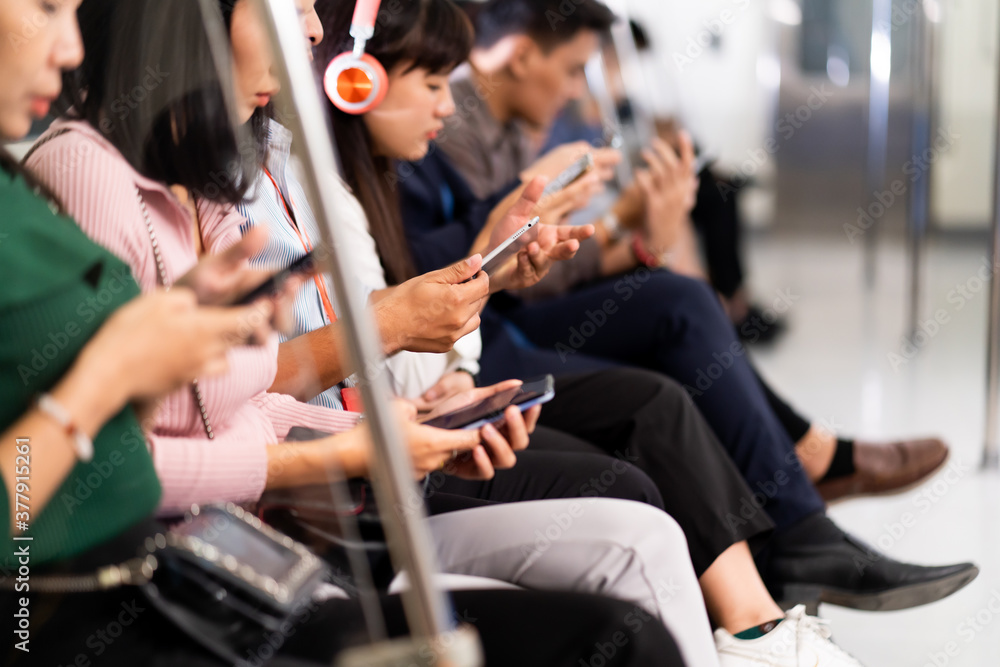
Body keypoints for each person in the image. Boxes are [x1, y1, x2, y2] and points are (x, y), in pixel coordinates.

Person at [24, 1, 719, 664]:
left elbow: (239, 399)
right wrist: (361, 444)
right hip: (220, 554)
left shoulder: (208, 181)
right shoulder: (90, 172)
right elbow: (108, 458)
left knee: (640, 500)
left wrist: (392, 429)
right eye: (288, 9)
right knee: (628, 545)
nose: (307, 34)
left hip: (266, 521)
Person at [396, 0, 978, 615]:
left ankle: (807, 485)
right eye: (572, 71)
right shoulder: (457, 132)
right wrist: (628, 233)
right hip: (484, 333)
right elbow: (479, 274)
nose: (576, 91)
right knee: (676, 317)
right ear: (522, 55)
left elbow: (524, 263)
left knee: (682, 299)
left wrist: (633, 234)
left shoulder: (505, 130)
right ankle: (808, 481)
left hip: (496, 321)